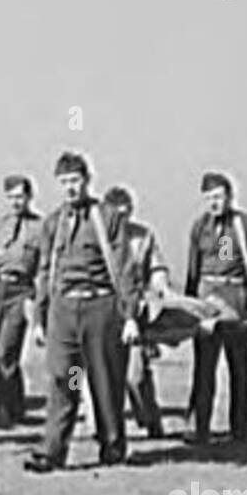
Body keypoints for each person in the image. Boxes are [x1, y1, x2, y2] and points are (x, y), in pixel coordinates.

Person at [24, 151, 141, 473]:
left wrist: (130, 316)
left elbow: (125, 268)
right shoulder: (53, 223)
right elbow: (44, 272)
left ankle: (112, 446)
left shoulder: (107, 218)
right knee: (65, 377)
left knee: (105, 381)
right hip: (64, 310)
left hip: (100, 307)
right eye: (63, 183)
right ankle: (52, 450)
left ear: (87, 180)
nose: (70, 188)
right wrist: (39, 318)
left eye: (74, 181)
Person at [183, 171, 247, 443]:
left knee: (240, 370)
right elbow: (192, 270)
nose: (214, 203)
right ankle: (201, 430)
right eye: (209, 198)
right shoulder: (199, 227)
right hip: (206, 305)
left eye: (218, 196)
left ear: (230, 197)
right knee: (204, 371)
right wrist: (188, 309)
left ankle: (240, 431)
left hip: (238, 302)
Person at [0, 175, 42, 429]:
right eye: (11, 197)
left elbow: (44, 269)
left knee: (7, 352)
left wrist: (37, 302)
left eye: (20, 197)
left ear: (29, 197)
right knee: (2, 355)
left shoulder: (41, 228)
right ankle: (16, 406)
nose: (16, 202)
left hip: (20, 292)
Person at [102, 185, 171, 438]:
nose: (122, 220)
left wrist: (162, 290)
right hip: (98, 310)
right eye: (116, 215)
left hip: (134, 309)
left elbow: (157, 268)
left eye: (126, 213)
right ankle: (93, 422)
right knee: (79, 372)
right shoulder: (94, 235)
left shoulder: (143, 237)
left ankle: (150, 418)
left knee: (136, 374)